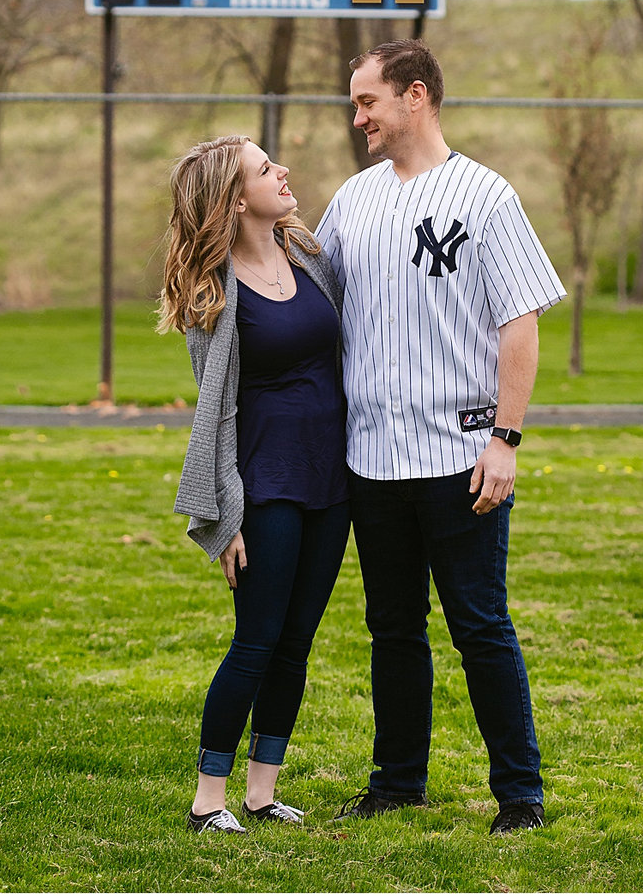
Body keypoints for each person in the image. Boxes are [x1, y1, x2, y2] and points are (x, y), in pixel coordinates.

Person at [314, 40, 566, 834]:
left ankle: (518, 797)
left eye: (368, 103)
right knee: (391, 628)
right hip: (372, 460)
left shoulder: (485, 196)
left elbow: (517, 320)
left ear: (413, 96)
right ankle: (396, 781)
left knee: (478, 626)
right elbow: (311, 299)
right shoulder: (351, 201)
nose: (358, 118)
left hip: (461, 457)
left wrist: (506, 438)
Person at [160, 136, 350, 835]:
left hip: (331, 481)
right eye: (266, 169)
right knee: (256, 640)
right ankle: (207, 799)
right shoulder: (212, 290)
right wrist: (223, 515)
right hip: (262, 486)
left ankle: (261, 793)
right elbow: (212, 411)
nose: (283, 172)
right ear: (236, 198)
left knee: (296, 641)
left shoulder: (310, 259)